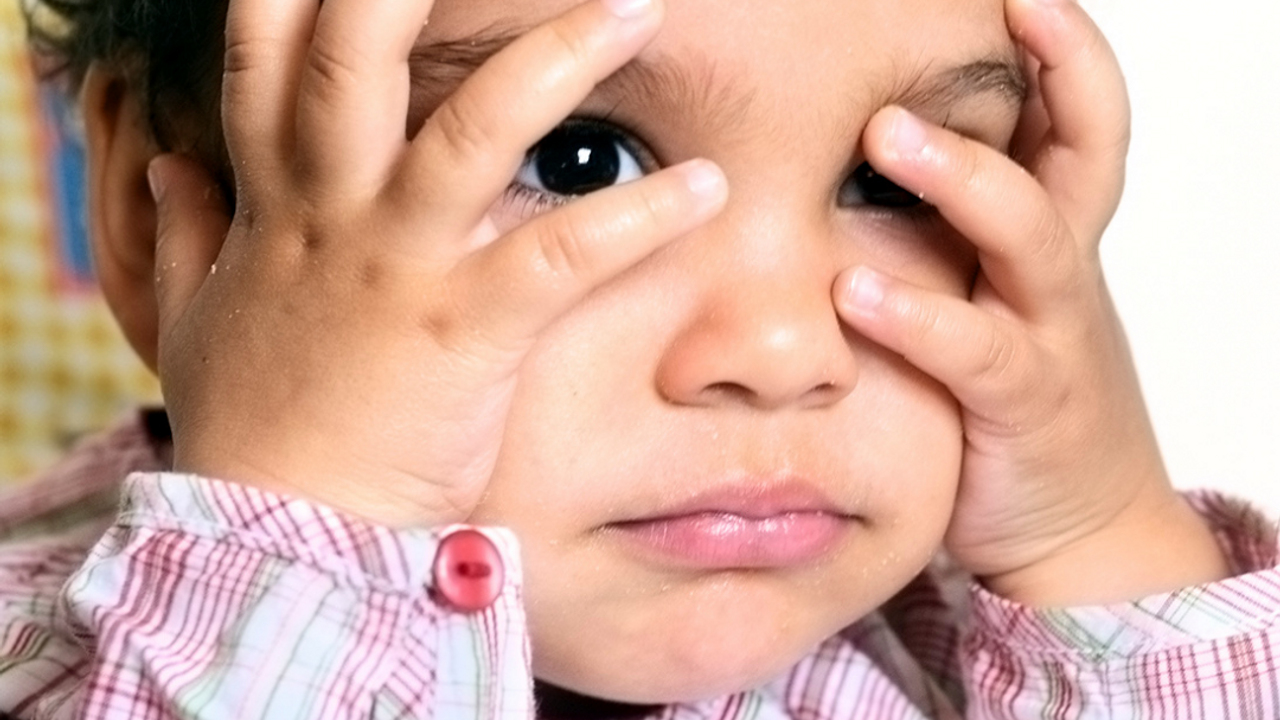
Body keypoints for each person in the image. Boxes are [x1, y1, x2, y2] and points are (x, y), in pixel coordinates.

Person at [2, 0, 1277, 716]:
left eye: (893, 185)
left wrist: (1094, 537)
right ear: (151, 214)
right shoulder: (47, 649)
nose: (782, 350)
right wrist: (318, 526)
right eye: (574, 161)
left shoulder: (996, 655)